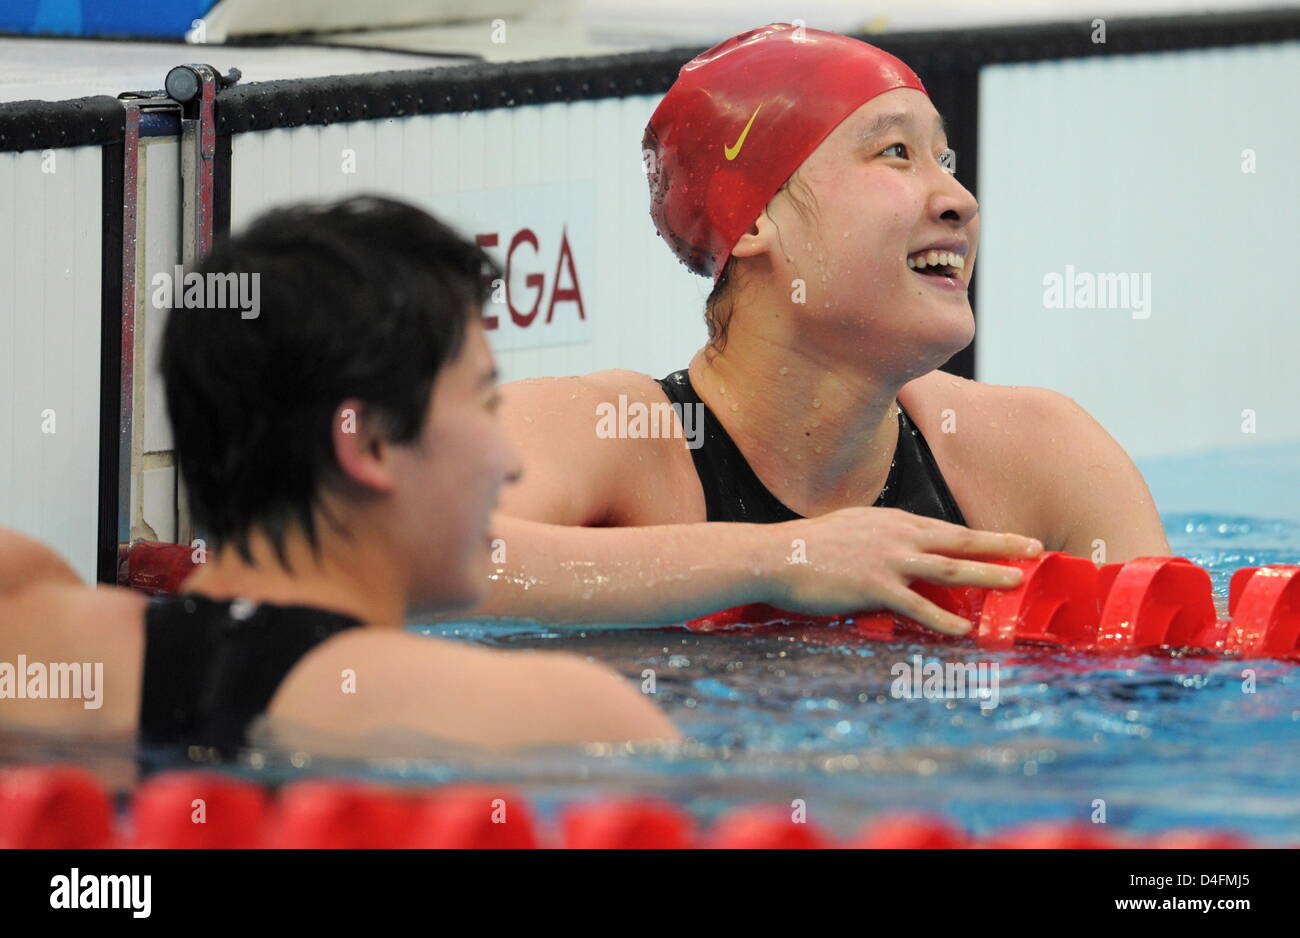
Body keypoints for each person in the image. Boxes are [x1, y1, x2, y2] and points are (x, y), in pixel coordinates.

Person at [463, 23, 1168, 634]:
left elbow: (1170, 683)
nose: (959, 200)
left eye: (944, 160)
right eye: (896, 152)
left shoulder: (1041, 455)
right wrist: (783, 560)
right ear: (757, 217)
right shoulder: (614, 437)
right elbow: (424, 556)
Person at [0, 196, 677, 755]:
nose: (512, 459)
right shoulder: (567, 720)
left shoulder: (29, 634)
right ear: (371, 445)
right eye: (484, 402)